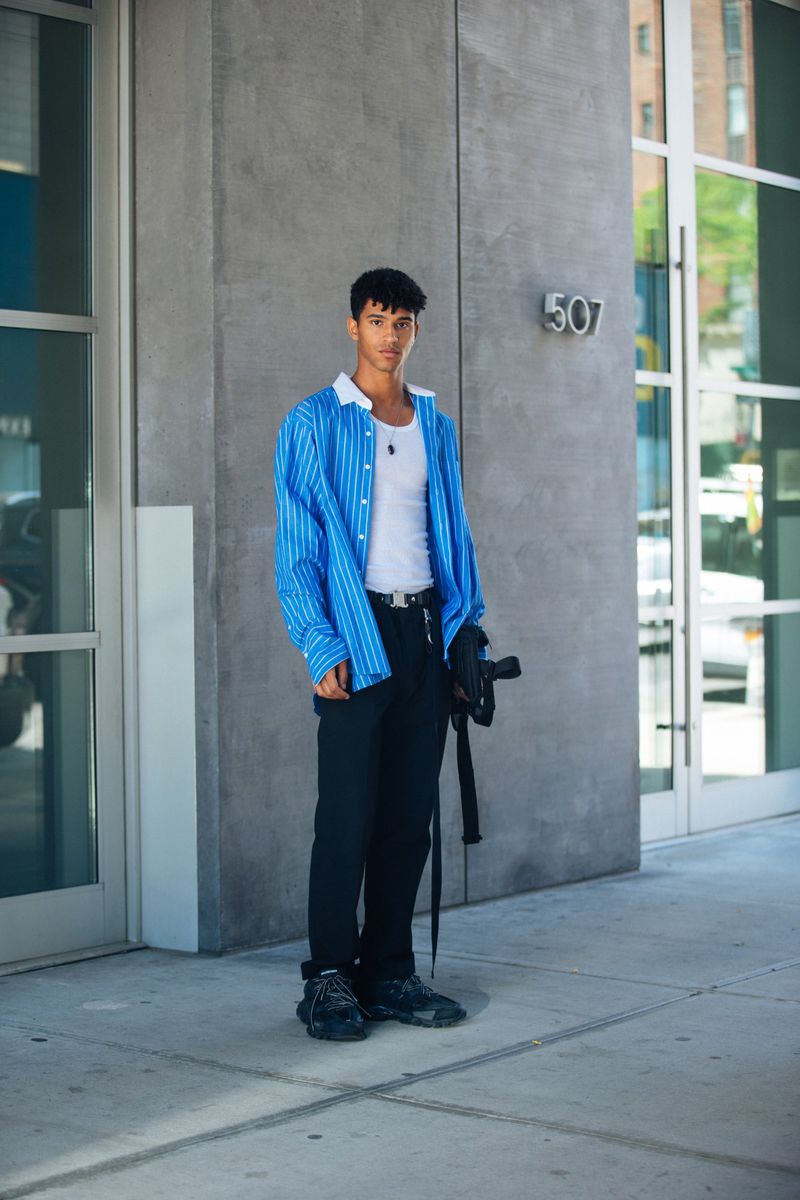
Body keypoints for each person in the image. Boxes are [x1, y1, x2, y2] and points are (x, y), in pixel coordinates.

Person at [273, 267, 487, 1041]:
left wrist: (468, 634)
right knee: (346, 818)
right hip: (356, 637)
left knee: (408, 817)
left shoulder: (434, 423)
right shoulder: (313, 422)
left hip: (425, 631)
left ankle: (389, 972)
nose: (389, 335)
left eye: (402, 322)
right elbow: (296, 550)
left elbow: (453, 537)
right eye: (376, 319)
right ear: (353, 326)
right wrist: (318, 641)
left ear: (415, 332)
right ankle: (329, 978)